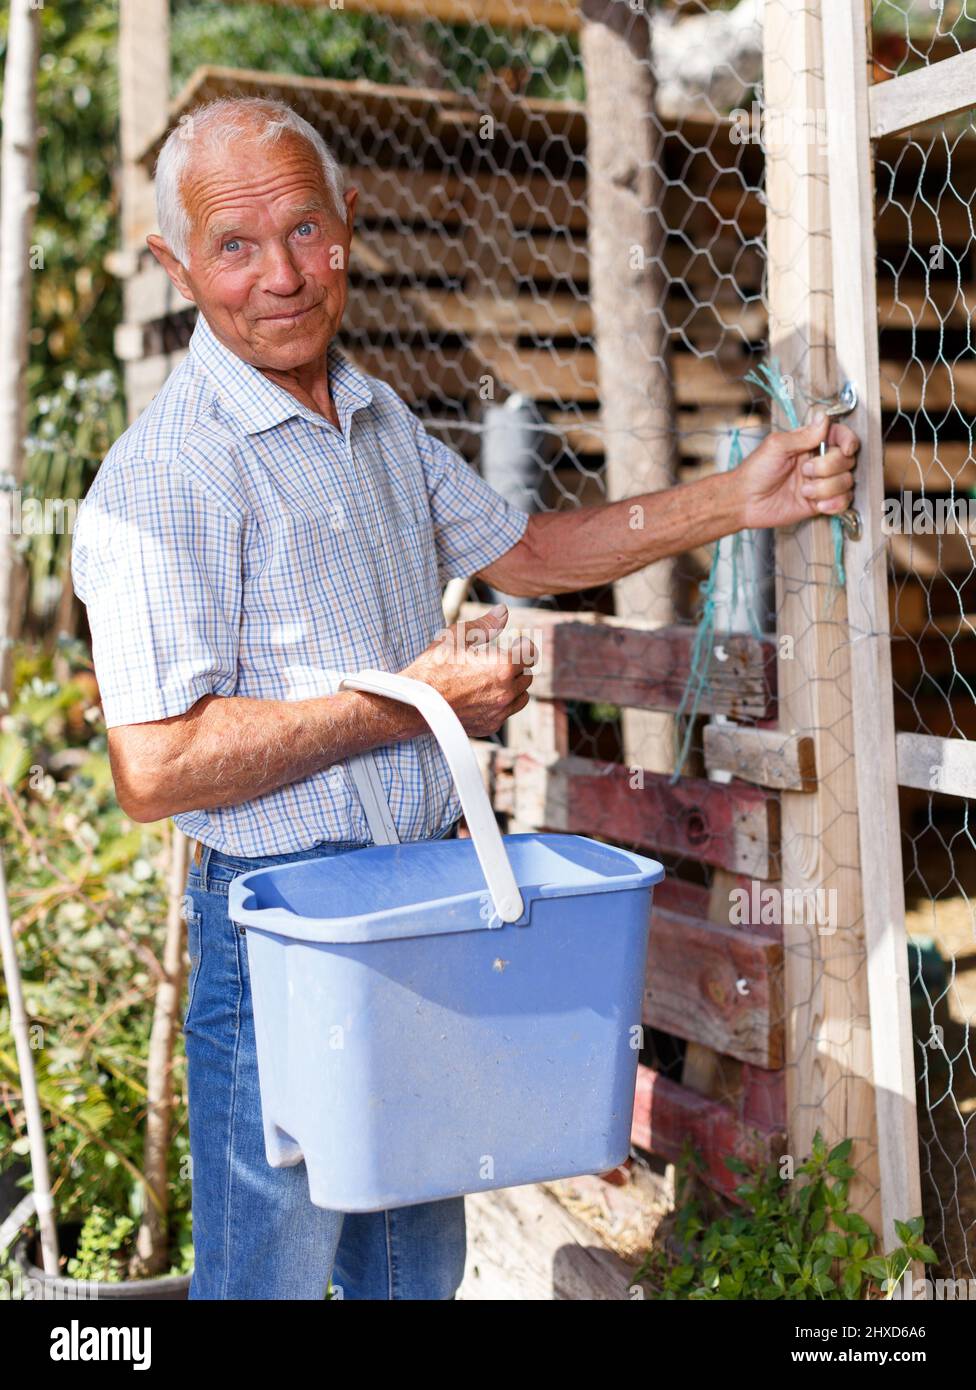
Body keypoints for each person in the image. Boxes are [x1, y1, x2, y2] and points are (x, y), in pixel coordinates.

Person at [70, 97, 858, 1300]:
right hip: (285, 935)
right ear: (176, 265)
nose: (280, 274)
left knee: (411, 1270)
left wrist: (741, 498)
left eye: (303, 230)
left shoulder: (375, 416)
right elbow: (156, 770)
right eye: (233, 245)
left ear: (348, 227)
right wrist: (415, 702)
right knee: (267, 1282)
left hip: (419, 908)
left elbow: (530, 552)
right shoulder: (164, 478)